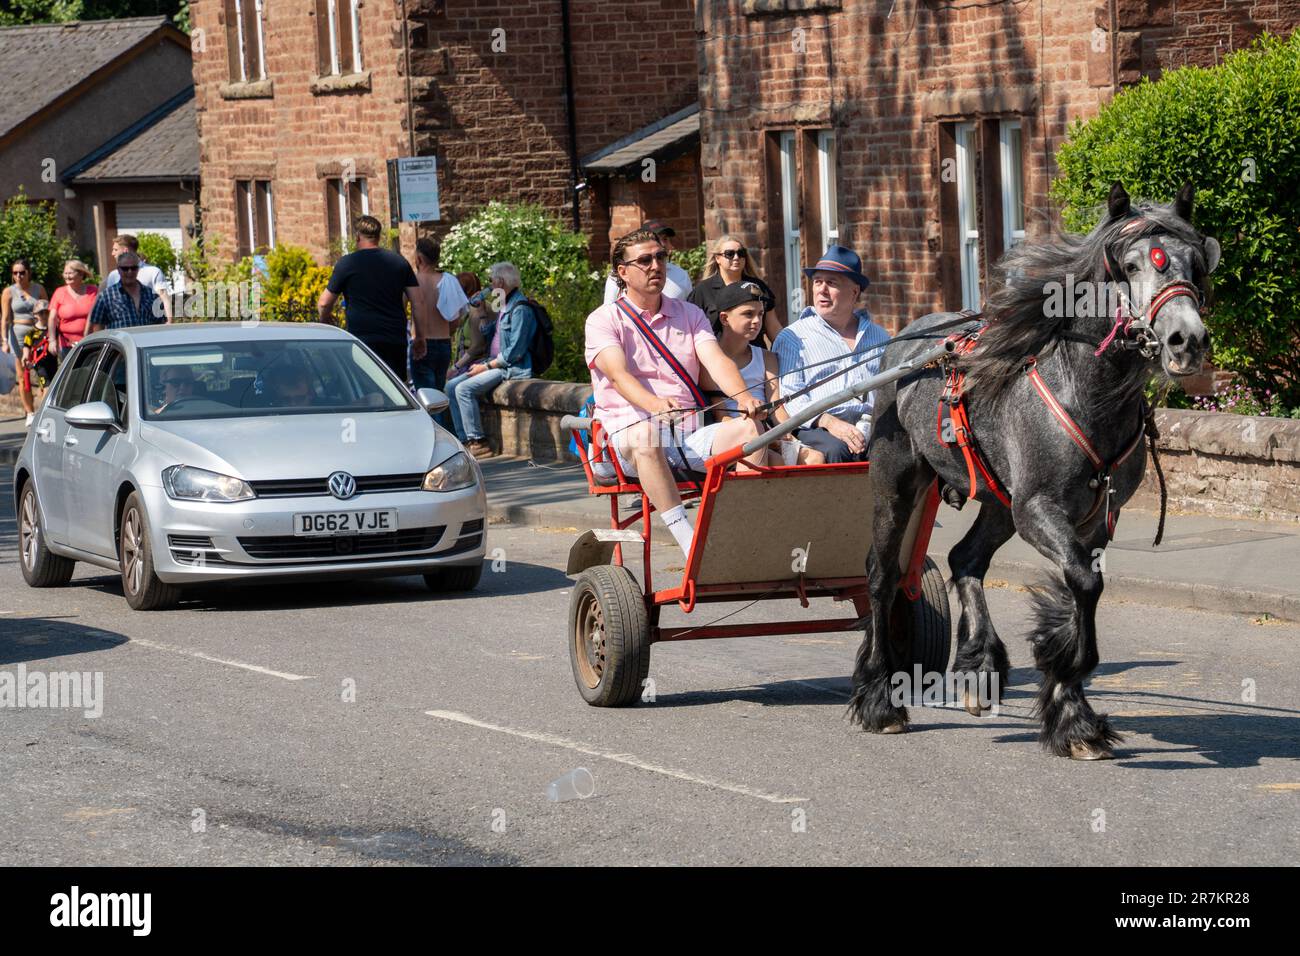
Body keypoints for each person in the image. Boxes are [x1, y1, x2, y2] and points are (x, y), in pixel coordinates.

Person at [586, 229, 766, 558]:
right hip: (629, 437)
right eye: (644, 260)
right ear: (622, 272)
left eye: (660, 257)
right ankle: (689, 540)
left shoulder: (690, 314)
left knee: (750, 430)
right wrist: (653, 404)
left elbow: (717, 360)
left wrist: (743, 397)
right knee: (645, 434)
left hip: (687, 435)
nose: (656, 265)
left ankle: (739, 531)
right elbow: (618, 374)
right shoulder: (603, 320)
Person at [773, 245, 891, 464]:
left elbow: (891, 390)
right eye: (818, 282)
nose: (821, 290)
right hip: (818, 425)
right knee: (839, 450)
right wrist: (829, 422)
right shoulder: (794, 336)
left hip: (871, 423)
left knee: (899, 450)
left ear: (854, 292)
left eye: (832, 283)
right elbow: (791, 397)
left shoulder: (880, 337)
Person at [689, 280, 824, 467]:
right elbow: (722, 416)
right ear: (724, 319)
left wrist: (786, 437)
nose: (757, 321)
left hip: (769, 431)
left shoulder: (767, 358)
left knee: (816, 458)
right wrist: (764, 437)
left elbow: (777, 409)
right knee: (775, 461)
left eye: (760, 314)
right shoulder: (711, 362)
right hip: (733, 436)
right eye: (748, 314)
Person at [317, 215, 427, 383]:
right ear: (378, 236)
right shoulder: (399, 262)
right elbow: (418, 302)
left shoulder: (347, 263)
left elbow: (324, 303)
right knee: (395, 389)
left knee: (365, 389)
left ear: (358, 236)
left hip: (362, 340)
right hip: (393, 337)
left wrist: (325, 321)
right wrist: (419, 337)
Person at [445, 262, 536, 459]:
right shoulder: (505, 304)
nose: (490, 284)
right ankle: (464, 440)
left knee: (464, 389)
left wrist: (485, 366)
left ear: (500, 282)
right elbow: (490, 333)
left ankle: (478, 442)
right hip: (493, 361)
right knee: (451, 387)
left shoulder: (520, 309)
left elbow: (515, 352)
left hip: (510, 368)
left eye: (491, 280)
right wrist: (481, 312)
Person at [688, 234, 782, 344]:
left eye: (741, 253)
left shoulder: (757, 286)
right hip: (718, 357)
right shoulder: (703, 290)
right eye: (730, 254)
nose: (736, 257)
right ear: (718, 258)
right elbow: (691, 330)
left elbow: (774, 328)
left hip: (755, 355)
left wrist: (790, 350)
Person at [410, 237, 468, 396]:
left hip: (420, 344)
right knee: (439, 396)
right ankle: (441, 420)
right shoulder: (449, 280)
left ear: (419, 258)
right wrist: (445, 334)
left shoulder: (412, 281)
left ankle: (436, 422)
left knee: (426, 398)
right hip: (443, 343)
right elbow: (456, 318)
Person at [2, 258, 50, 425]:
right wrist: (4, 340)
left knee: (44, 375)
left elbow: (48, 311)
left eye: (22, 272)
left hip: (39, 335)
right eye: (15, 273)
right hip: (19, 336)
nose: (19, 276)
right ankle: (29, 412)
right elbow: (6, 318)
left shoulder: (39, 289)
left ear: (28, 273)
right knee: (23, 377)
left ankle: (43, 410)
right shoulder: (9, 292)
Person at [602, 219, 692, 304]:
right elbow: (609, 310)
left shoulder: (681, 275)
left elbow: (689, 312)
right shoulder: (619, 276)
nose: (662, 244)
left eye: (665, 239)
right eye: (656, 238)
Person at [102, 234, 172, 322]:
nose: (113, 253)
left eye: (115, 250)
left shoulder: (153, 272)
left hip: (147, 327)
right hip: (120, 331)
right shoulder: (113, 275)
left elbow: (164, 298)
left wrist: (169, 322)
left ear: (125, 251)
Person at [88, 252, 163, 333]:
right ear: (118, 270)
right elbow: (97, 326)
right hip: (119, 344)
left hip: (146, 343)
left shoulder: (151, 295)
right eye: (125, 269)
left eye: (133, 268)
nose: (129, 272)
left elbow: (161, 324)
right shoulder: (106, 296)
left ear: (138, 269)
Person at [48, 259, 98, 355]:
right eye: (65, 273)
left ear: (81, 274)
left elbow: (98, 315)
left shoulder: (93, 291)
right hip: (67, 345)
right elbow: (52, 318)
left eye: (70, 273)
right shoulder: (59, 292)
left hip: (91, 342)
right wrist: (52, 340)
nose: (67, 276)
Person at [450, 272, 490, 374]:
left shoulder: (476, 307)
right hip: (469, 363)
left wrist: (455, 367)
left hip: (475, 365)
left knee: (450, 386)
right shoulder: (470, 307)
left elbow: (477, 346)